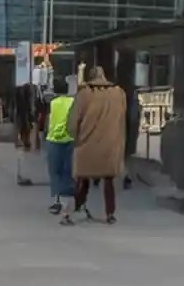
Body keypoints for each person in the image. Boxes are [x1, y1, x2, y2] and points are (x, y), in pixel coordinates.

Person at [65, 66, 126, 225]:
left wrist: (73, 137)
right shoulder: (118, 93)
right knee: (109, 181)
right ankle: (110, 214)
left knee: (83, 180)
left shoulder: (84, 94)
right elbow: (122, 118)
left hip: (86, 145)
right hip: (110, 145)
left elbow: (73, 120)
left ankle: (78, 208)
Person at [45, 79, 75, 218]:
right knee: (67, 171)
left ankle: (57, 200)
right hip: (69, 139)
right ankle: (68, 202)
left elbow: (48, 122)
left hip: (54, 140)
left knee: (54, 172)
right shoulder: (72, 102)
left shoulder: (52, 103)